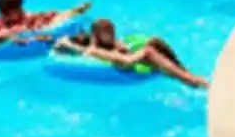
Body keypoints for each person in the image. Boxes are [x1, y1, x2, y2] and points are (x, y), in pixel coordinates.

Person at [55, 18, 209, 88]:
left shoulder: (113, 42)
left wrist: (122, 47)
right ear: (96, 35)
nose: (111, 34)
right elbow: (82, 50)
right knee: (148, 51)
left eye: (111, 30)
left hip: (127, 57)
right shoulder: (93, 49)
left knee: (155, 41)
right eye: (107, 32)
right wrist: (67, 43)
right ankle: (188, 79)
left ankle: (185, 72)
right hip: (124, 63)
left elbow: (122, 46)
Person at [0, 0, 92, 48]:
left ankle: (73, 11)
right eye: (18, 9)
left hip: (38, 29)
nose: (21, 9)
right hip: (29, 36)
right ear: (8, 12)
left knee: (52, 20)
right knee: (45, 30)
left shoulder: (25, 16)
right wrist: (11, 33)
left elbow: (42, 17)